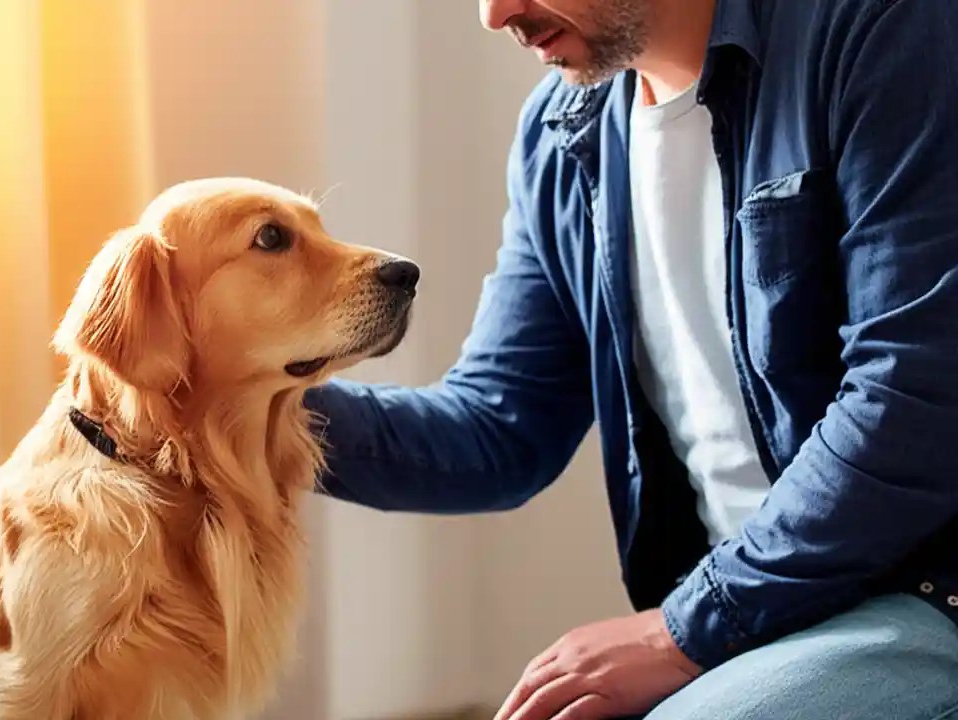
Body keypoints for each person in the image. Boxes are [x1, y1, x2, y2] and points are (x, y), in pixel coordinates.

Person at [304, 0, 958, 718]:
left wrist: (680, 632)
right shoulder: (563, 132)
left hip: (922, 592)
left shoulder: (887, 26)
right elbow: (498, 430)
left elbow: (914, 400)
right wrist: (238, 401)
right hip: (755, 620)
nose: (495, 14)